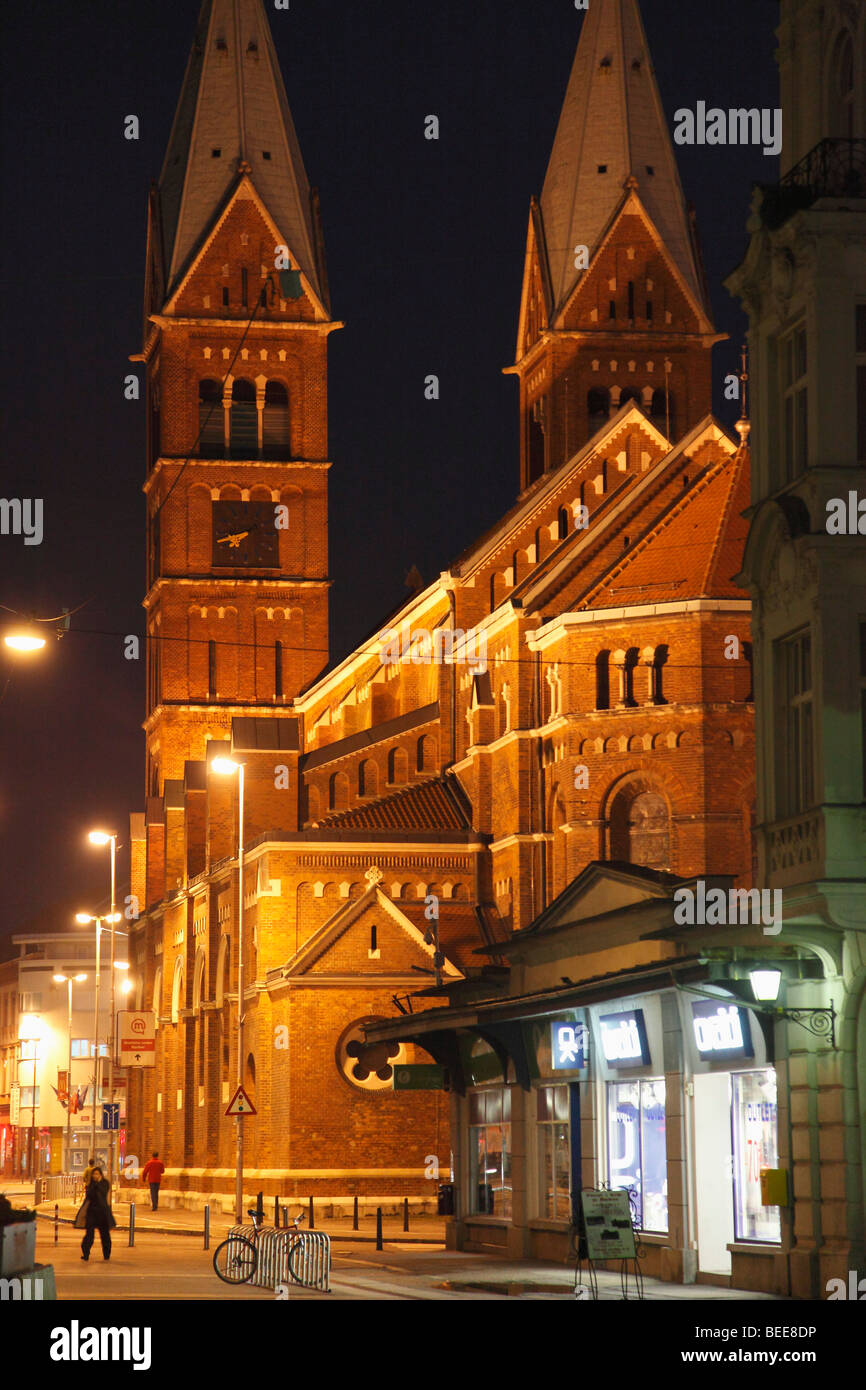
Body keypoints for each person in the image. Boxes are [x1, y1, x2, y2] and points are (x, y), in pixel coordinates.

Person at [74, 1166, 115, 1262]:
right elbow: (89, 1195)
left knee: (105, 1235)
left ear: (100, 1175)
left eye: (97, 1174)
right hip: (92, 1212)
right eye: (94, 1174)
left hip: (102, 1213)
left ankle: (106, 1255)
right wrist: (94, 1184)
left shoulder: (105, 1183)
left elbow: (103, 1192)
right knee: (89, 1235)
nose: (95, 1176)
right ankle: (86, 1254)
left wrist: (98, 1184)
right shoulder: (90, 1185)